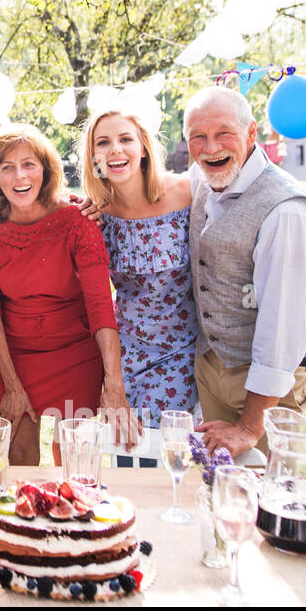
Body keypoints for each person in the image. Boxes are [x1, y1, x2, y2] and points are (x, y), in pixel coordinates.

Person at [0, 124, 137, 465]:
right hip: (16, 357)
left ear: (46, 169)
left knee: (75, 457)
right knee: (19, 454)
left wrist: (114, 384)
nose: (20, 176)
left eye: (29, 164)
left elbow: (101, 306)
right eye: (7, 167)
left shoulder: (78, 220)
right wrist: (12, 385)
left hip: (76, 353)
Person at [184, 86, 306, 457]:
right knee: (220, 477)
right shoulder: (200, 177)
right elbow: (153, 194)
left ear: (251, 133)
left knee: (275, 482)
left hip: (273, 383)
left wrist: (250, 425)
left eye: (224, 133)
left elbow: (282, 328)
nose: (211, 148)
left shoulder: (286, 209)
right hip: (213, 364)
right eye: (198, 137)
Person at [80, 106, 199, 438]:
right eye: (103, 143)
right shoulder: (96, 214)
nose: (115, 150)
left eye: (125, 139)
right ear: (93, 156)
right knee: (127, 450)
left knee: (172, 451)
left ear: (144, 148)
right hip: (127, 354)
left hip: (185, 351)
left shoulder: (188, 193)